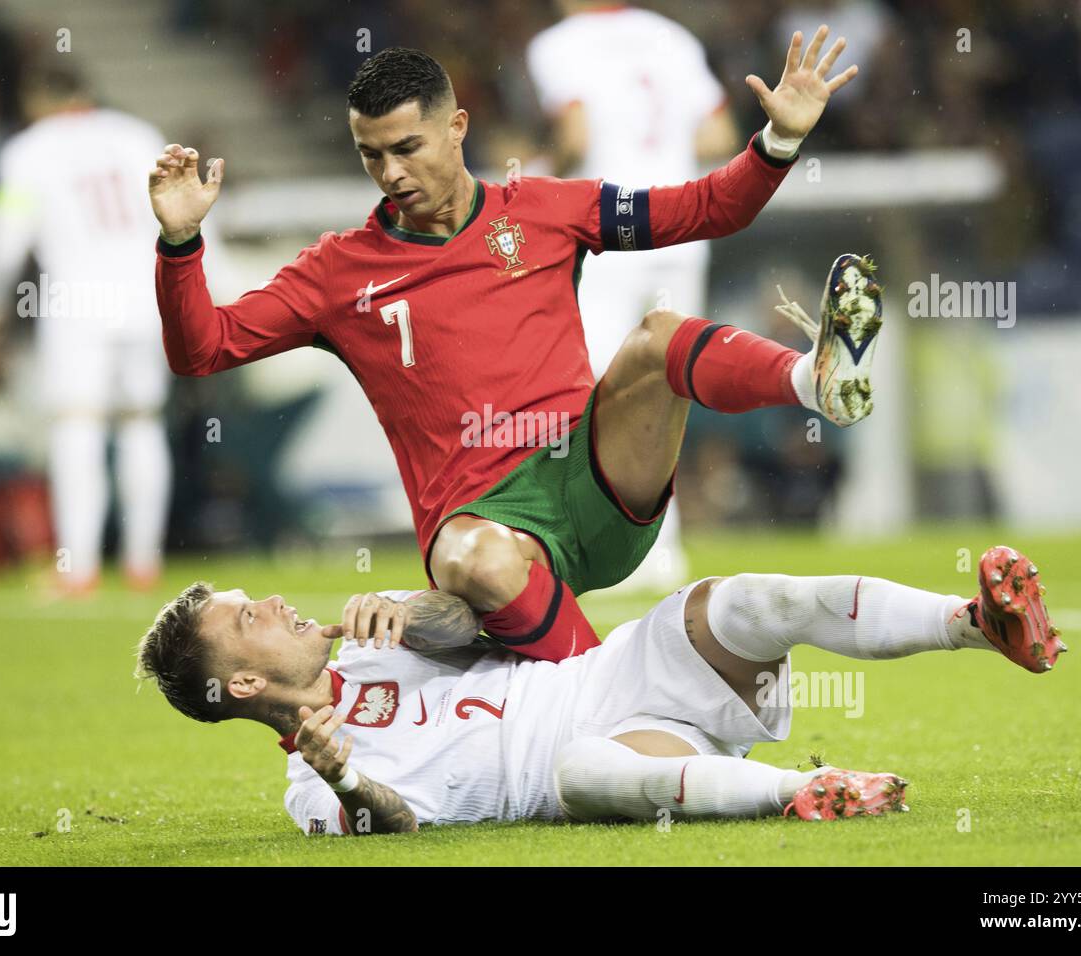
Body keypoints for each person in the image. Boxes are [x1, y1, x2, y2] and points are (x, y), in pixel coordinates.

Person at [151, 30, 868, 662]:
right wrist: (181, 243)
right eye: (371, 156)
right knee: (479, 558)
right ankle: (603, 700)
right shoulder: (338, 272)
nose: (392, 174)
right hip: (487, 529)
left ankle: (813, 381)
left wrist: (777, 142)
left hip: (597, 484)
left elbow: (710, 207)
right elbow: (201, 350)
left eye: (407, 148)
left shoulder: (546, 209)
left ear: (457, 127)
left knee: (657, 334)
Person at [135, 545, 1065, 835]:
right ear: (246, 681)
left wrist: (415, 612)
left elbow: (475, 628)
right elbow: (394, 825)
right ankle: (811, 793)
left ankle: (979, 623)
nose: (275, 601)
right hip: (605, 762)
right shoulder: (311, 789)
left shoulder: (367, 640)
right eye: (250, 616)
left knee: (745, 599)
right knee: (584, 773)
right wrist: (342, 777)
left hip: (615, 671)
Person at [526, 0, 743, 590]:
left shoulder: (560, 43)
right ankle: (662, 549)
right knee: (668, 384)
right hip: (677, 226)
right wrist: (657, 156)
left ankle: (599, 546)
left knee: (594, 388)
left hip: (608, 229)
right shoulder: (670, 36)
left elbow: (576, 135)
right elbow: (718, 133)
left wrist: (532, 169)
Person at [0, 65, 177, 594]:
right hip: (146, 294)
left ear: (38, 99)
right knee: (142, 421)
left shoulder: (30, 149)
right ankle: (143, 562)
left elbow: (6, 233)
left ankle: (78, 566)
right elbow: (185, 212)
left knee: (77, 423)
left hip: (77, 302)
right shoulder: (136, 135)